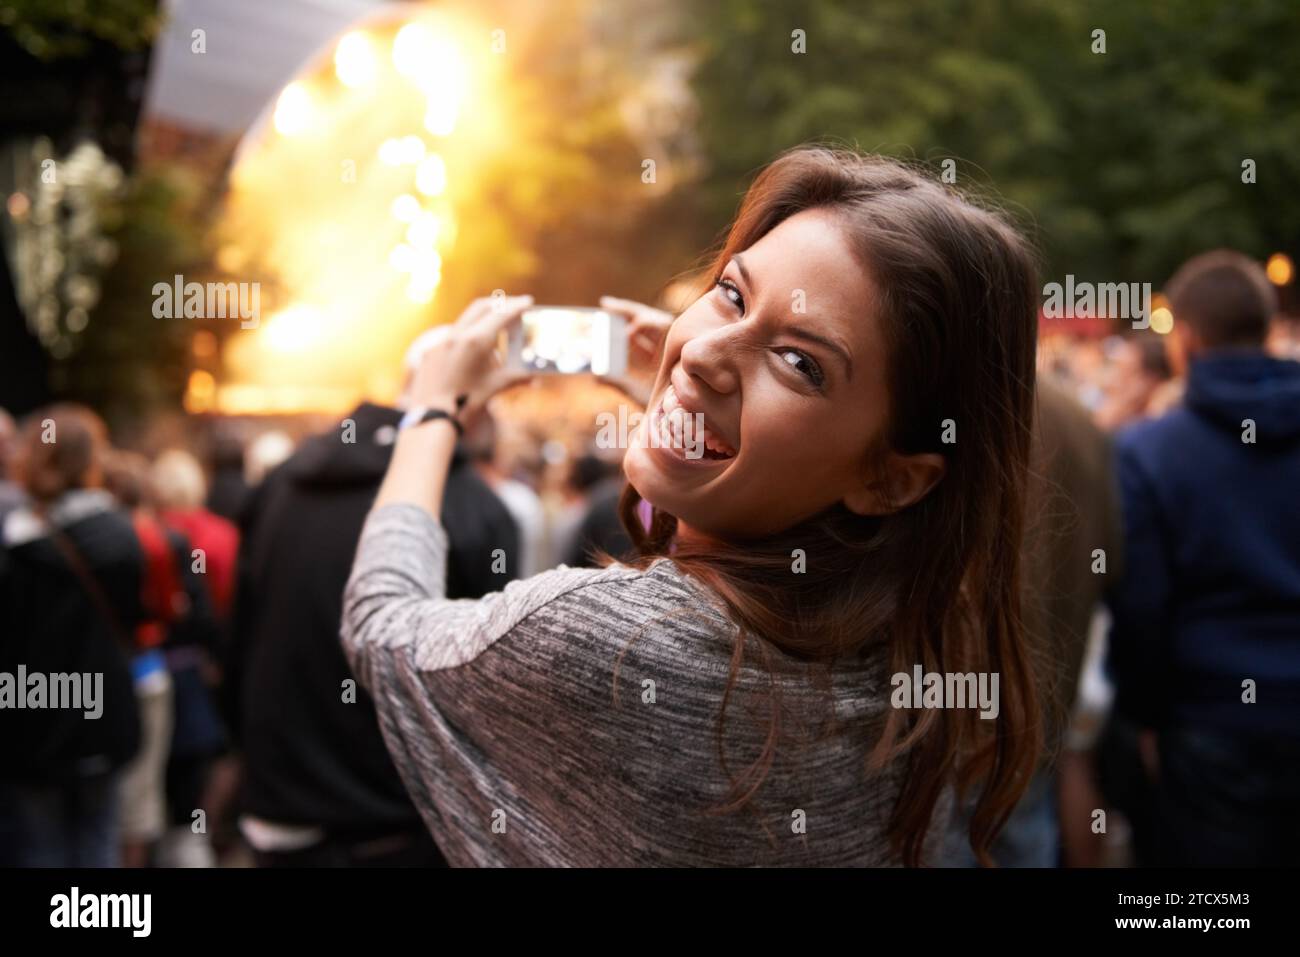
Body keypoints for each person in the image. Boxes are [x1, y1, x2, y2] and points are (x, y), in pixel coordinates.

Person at [342, 147, 1043, 866]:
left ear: (893, 479)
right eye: (733, 295)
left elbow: (381, 623)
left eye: (801, 362)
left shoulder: (622, 645)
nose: (703, 352)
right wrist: (695, 415)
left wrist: (432, 408)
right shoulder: (920, 646)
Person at [226, 345, 520, 867]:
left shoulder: (282, 480)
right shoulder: (476, 507)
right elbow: (486, 693)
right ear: (479, 399)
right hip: (401, 821)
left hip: (279, 807)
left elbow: (240, 635)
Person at [1106, 249, 1300, 866]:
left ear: (1184, 338)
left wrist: (1144, 717)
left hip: (1206, 723)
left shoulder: (1151, 451)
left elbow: (1142, 606)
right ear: (1267, 327)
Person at [0, 405, 142, 867]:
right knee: (99, 843)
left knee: (38, 848)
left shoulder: (15, 546)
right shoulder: (125, 537)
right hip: (104, 717)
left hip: (30, 719)